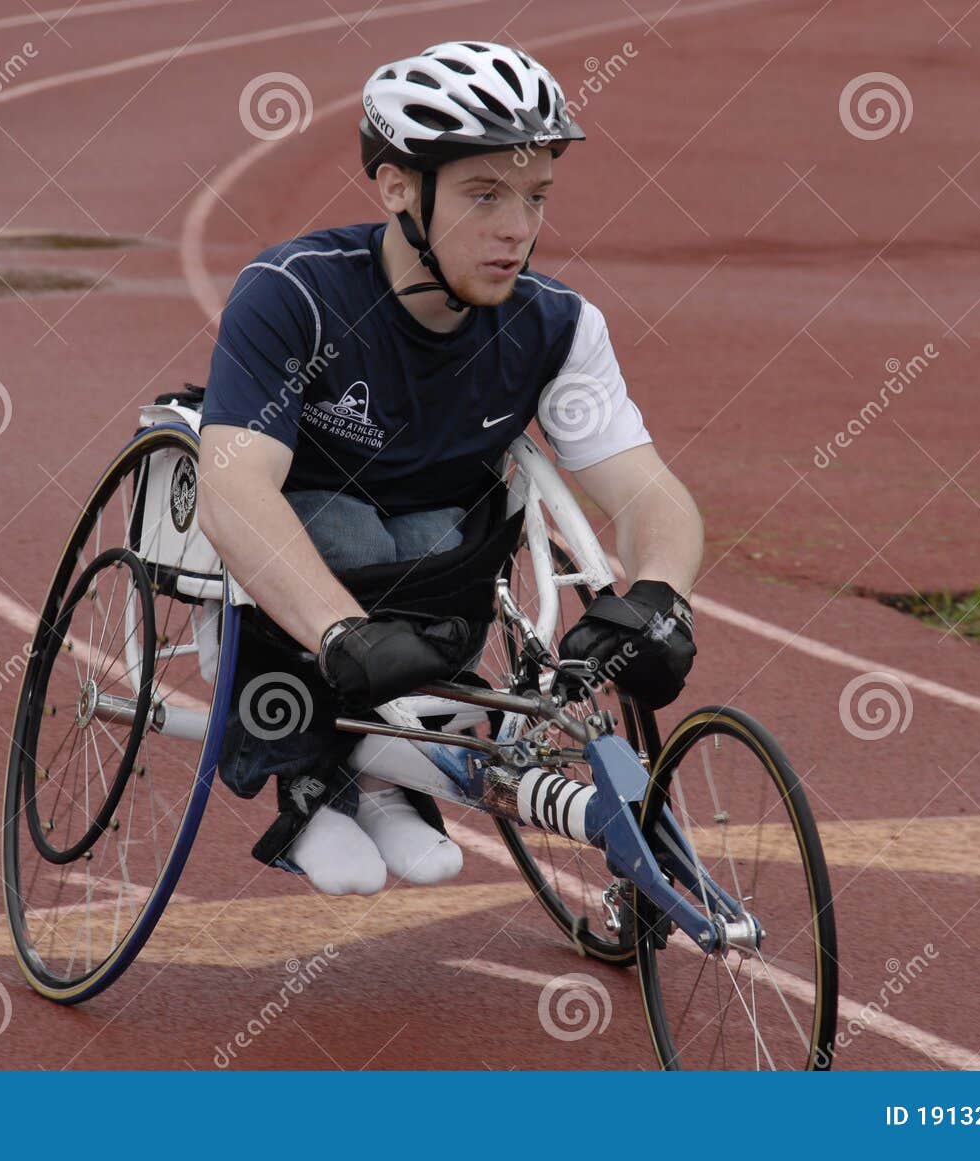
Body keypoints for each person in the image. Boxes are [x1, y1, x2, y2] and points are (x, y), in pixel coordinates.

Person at [197, 40, 703, 897]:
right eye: (484, 195)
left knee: (439, 534)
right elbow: (233, 488)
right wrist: (336, 631)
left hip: (440, 571)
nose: (518, 228)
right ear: (398, 187)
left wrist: (659, 594)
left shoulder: (559, 327)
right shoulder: (294, 294)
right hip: (292, 568)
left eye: (536, 196)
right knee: (354, 524)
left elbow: (648, 489)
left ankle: (391, 780)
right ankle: (316, 776)